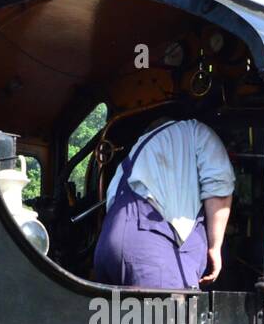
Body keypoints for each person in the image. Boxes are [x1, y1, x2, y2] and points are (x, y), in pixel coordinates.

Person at [93, 115, 235, 289]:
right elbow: (219, 186)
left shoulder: (132, 159)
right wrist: (215, 248)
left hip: (106, 250)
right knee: (170, 315)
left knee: (115, 316)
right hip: (148, 254)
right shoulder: (197, 132)